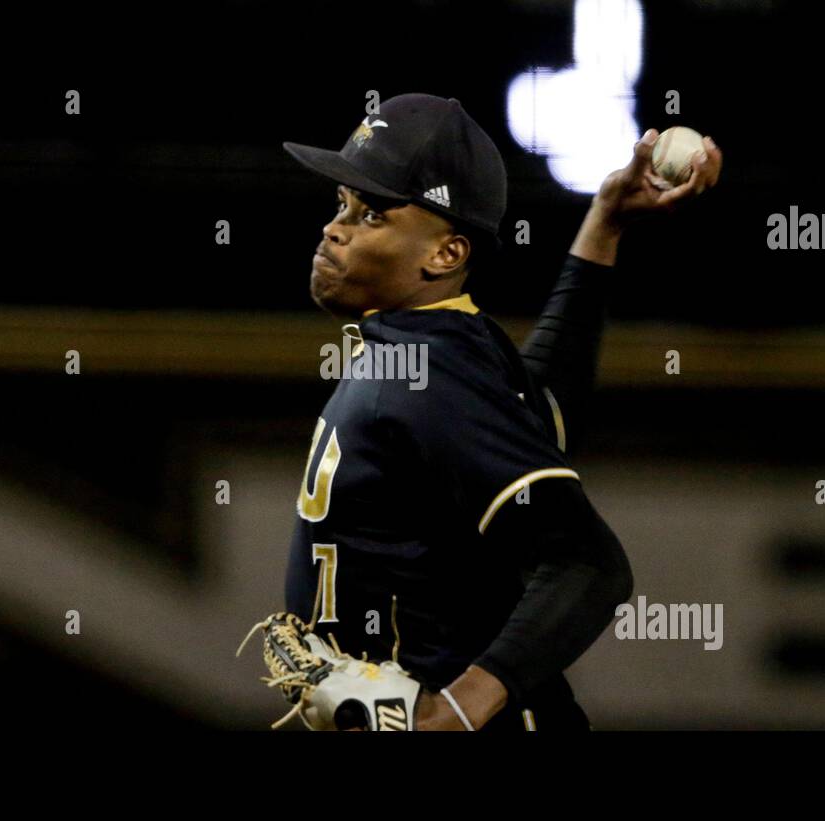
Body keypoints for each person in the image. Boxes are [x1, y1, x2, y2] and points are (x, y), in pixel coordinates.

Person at [280, 93, 721, 731]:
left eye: (372, 214)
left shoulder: (430, 374)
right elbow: (543, 413)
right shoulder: (446, 344)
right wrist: (605, 220)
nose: (335, 228)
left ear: (445, 255)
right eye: (341, 204)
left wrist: (461, 708)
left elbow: (588, 565)